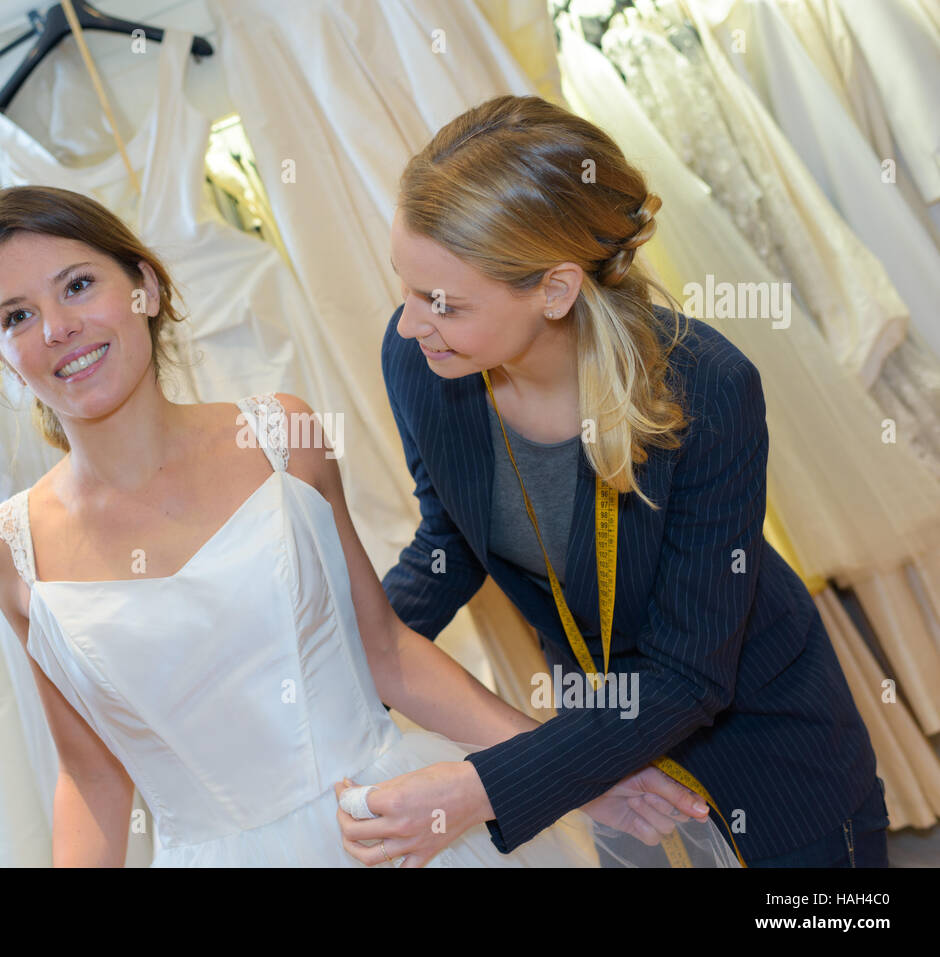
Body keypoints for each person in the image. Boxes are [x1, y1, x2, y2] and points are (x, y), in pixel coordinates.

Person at [0, 184, 733, 867]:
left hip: (396, 825)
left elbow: (387, 651)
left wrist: (565, 768)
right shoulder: (13, 549)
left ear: (146, 287)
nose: (58, 328)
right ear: (0, 352)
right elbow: (92, 774)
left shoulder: (284, 440)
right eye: (18, 316)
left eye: (77, 285)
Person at [353, 94, 886, 868]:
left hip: (760, 740)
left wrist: (480, 787)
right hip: (599, 753)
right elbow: (451, 540)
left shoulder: (706, 388)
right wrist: (348, 664)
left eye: (442, 302)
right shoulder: (423, 362)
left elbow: (688, 670)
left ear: (556, 289)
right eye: (403, 283)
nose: (407, 323)